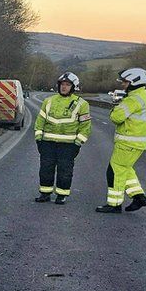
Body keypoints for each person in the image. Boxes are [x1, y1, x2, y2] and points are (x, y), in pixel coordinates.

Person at [96, 68, 146, 213]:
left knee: (114, 171)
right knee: (125, 169)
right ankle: (139, 197)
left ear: (135, 82)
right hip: (138, 143)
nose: (123, 84)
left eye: (125, 81)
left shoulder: (133, 99)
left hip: (127, 143)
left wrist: (115, 109)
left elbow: (116, 117)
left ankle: (114, 205)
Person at [33, 72, 91, 204]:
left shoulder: (82, 104)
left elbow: (85, 126)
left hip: (68, 145)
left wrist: (78, 143)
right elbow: (40, 121)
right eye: (62, 84)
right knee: (45, 169)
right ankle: (45, 193)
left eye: (67, 85)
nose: (64, 87)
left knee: (65, 171)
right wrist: (39, 139)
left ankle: (61, 195)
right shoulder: (49, 101)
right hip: (48, 143)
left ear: (73, 87)